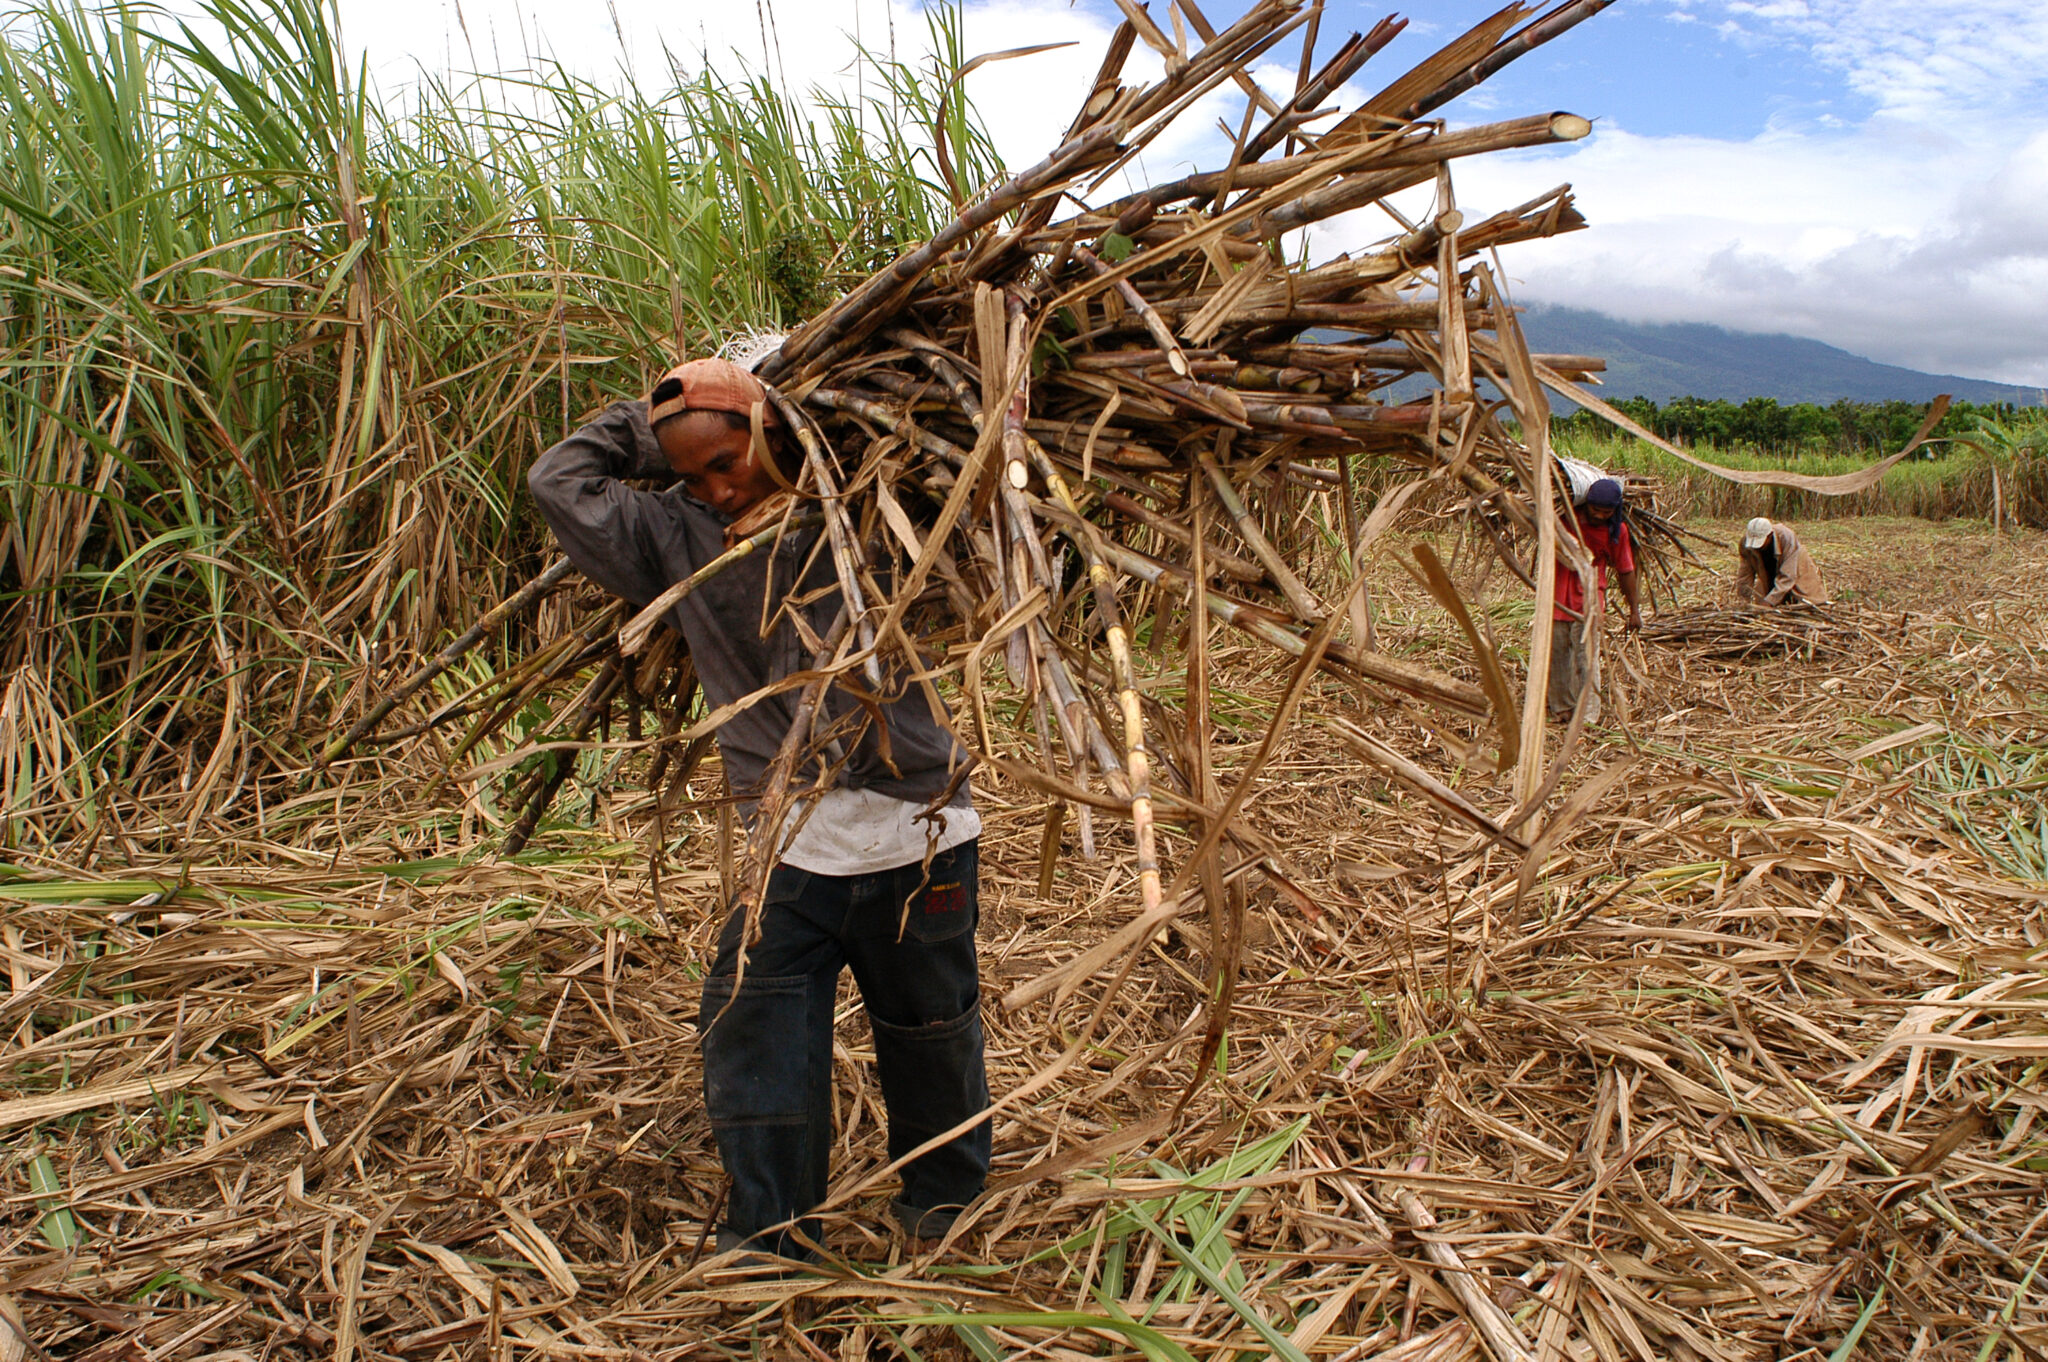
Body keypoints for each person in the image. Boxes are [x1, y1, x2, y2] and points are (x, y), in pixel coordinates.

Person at [527, 357, 989, 1261]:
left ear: (776, 432)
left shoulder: (871, 502)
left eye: (728, 460)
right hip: (786, 842)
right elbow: (559, 481)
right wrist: (668, 421)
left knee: (929, 1030)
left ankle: (944, 1204)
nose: (718, 487)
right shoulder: (672, 532)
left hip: (917, 829)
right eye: (692, 472)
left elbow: (963, 534)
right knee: (754, 1031)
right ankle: (769, 1234)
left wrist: (789, 451)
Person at [1548, 477, 1642, 724]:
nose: (1600, 516)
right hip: (1556, 596)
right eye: (1595, 510)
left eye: (1606, 512)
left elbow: (1625, 569)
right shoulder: (1566, 519)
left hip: (1589, 600)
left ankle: (1588, 715)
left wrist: (1634, 610)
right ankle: (1561, 708)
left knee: (1586, 659)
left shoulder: (1618, 531)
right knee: (1556, 656)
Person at [1735, 516, 1827, 606]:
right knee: (1766, 594)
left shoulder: (1787, 538)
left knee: (1805, 599)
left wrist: (1769, 602)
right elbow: (1745, 576)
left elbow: (1788, 575)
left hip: (1796, 568)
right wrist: (1743, 601)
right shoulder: (1746, 544)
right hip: (1768, 571)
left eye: (1760, 542)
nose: (1757, 547)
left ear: (1770, 535)